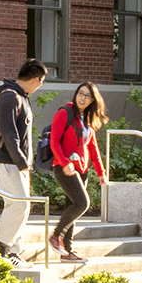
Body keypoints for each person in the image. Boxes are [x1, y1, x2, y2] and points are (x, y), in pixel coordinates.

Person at [0, 59, 46, 255]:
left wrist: (24, 164)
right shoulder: (10, 98)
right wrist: (22, 163)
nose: (41, 85)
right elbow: (9, 134)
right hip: (5, 161)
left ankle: (13, 251)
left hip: (15, 163)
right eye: (42, 81)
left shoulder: (20, 97)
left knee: (21, 206)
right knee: (19, 205)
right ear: (35, 79)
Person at [43, 81, 107, 263]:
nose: (82, 98)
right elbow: (54, 142)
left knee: (71, 208)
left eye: (87, 96)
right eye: (80, 93)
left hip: (82, 169)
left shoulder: (87, 120)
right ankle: (55, 235)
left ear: (92, 100)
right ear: (76, 94)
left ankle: (67, 251)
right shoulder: (65, 113)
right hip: (65, 168)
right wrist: (64, 163)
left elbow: (93, 148)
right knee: (82, 203)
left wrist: (101, 172)